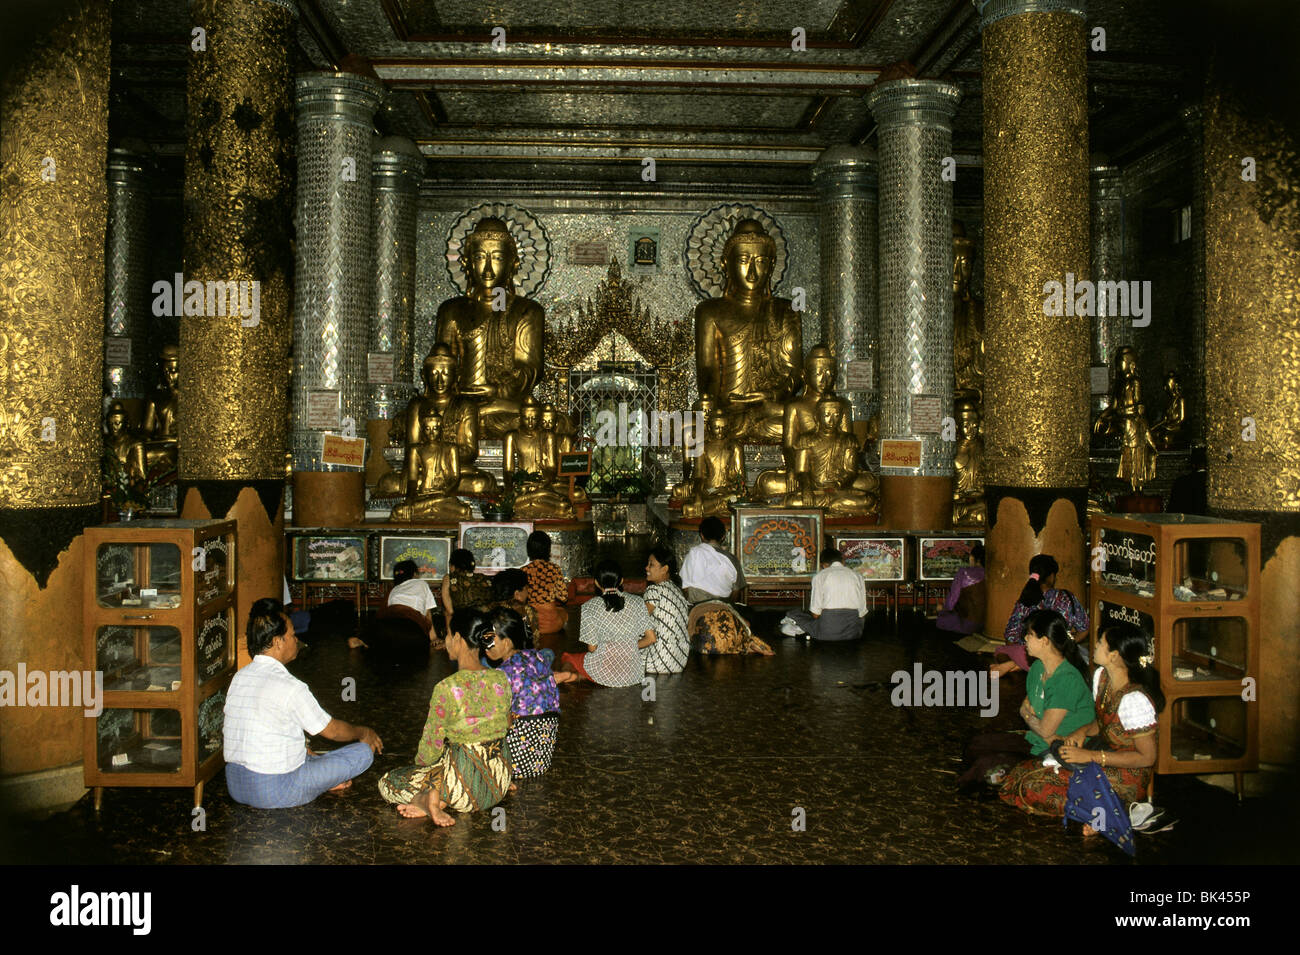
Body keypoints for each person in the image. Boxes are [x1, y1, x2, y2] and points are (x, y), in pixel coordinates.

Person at [223, 598, 383, 809]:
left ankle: (322, 777)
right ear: (278, 642)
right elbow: (332, 731)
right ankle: (322, 781)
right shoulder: (290, 686)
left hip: (235, 783)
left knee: (311, 755)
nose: (296, 640)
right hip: (275, 790)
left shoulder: (240, 677)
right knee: (361, 752)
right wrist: (364, 732)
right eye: (292, 635)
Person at [1000, 621, 1163, 825]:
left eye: (1101, 643)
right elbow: (1101, 722)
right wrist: (1081, 732)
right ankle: (1102, 813)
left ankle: (1118, 810)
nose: (1094, 645)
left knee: (1035, 788)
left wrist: (1090, 756)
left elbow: (1147, 758)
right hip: (1102, 759)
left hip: (1125, 776)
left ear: (1113, 655)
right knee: (1022, 775)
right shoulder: (1102, 677)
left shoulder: (1135, 699)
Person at [377, 608, 512, 826]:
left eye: (448, 635)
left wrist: (420, 769)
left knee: (388, 783)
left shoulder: (447, 688)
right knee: (455, 754)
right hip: (498, 783)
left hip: (466, 789)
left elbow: (430, 748)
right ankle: (437, 797)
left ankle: (429, 795)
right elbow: (505, 724)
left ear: (458, 638)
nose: (447, 640)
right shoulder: (501, 679)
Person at [958, 609, 1093, 790]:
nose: (1026, 640)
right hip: (1036, 739)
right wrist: (1033, 719)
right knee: (975, 745)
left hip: (1056, 751)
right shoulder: (1038, 667)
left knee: (985, 768)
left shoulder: (1066, 678)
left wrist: (1028, 716)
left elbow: (1039, 723)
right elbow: (1033, 716)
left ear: (1045, 641)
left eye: (1030, 635)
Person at [680, 517, 773, 656]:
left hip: (697, 607)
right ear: (723, 536)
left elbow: (685, 590)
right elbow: (735, 594)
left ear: (702, 535)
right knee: (752, 616)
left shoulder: (692, 555)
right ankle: (745, 637)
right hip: (724, 606)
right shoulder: (732, 559)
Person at [486, 606, 561, 778]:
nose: (485, 645)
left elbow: (501, 723)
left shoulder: (501, 674)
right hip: (541, 759)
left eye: (489, 640)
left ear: (506, 643)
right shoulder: (538, 656)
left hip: (515, 763)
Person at [558, 559, 654, 687]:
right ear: (621, 581)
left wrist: (613, 649)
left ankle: (573, 675)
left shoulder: (589, 607)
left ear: (597, 583)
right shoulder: (638, 602)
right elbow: (651, 639)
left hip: (604, 668)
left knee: (569, 658)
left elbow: (592, 649)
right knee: (602, 669)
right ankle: (577, 677)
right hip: (632, 673)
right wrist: (625, 647)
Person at [993, 554, 1088, 675]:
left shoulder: (1025, 599)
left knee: (1000, 651)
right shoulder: (1067, 597)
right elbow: (1085, 629)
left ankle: (1019, 665)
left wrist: (1019, 653)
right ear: (1052, 576)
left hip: (1032, 654)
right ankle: (1035, 667)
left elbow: (1010, 637)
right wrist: (1067, 643)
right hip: (1059, 655)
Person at [780, 546, 867, 641]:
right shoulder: (857, 576)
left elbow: (815, 614)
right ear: (843, 561)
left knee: (795, 614)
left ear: (824, 565)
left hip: (827, 633)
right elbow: (862, 613)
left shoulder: (820, 576)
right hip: (853, 633)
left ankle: (796, 626)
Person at [641, 545, 691, 674]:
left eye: (651, 565)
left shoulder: (654, 590)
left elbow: (638, 621)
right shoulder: (677, 590)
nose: (646, 568)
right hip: (678, 660)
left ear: (665, 569)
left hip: (658, 661)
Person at [522, 530, 569, 636]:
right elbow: (563, 597)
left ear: (529, 550)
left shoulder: (523, 571)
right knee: (563, 612)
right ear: (548, 549)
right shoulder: (554, 569)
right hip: (551, 624)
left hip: (530, 626)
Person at [936, 542, 986, 635]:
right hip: (987, 625)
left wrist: (942, 608)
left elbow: (951, 602)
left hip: (967, 623)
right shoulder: (990, 573)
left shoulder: (964, 572)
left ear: (972, 558)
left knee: (941, 619)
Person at [441, 547, 492, 627]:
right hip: (484, 617)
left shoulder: (449, 578)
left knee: (446, 613)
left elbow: (445, 597)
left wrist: (452, 614)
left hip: (461, 618)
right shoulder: (483, 578)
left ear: (453, 565)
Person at [490, 567, 541, 644]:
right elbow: (534, 640)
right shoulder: (527, 610)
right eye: (526, 589)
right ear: (517, 594)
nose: (528, 592)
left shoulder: (488, 609)